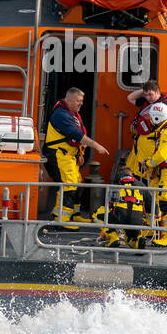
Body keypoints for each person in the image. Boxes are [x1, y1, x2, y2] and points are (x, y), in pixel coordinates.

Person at [43, 87, 109, 228]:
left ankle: (74, 215)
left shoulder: (72, 114)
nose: (81, 104)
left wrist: (80, 153)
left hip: (69, 156)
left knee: (77, 183)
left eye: (82, 101)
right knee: (69, 185)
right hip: (58, 155)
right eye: (78, 101)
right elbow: (76, 134)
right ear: (69, 100)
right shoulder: (61, 115)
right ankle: (61, 220)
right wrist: (96, 146)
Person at [131, 101, 167, 246]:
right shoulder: (163, 130)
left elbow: (161, 155)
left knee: (166, 202)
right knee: (156, 199)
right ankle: (152, 230)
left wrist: (148, 163)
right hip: (164, 172)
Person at [97, 167, 147, 248]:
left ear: (119, 175)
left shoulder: (115, 185)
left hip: (120, 217)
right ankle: (137, 239)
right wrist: (157, 213)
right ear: (131, 175)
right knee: (132, 232)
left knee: (98, 214)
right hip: (137, 219)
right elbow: (150, 202)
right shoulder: (141, 185)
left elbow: (108, 203)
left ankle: (113, 238)